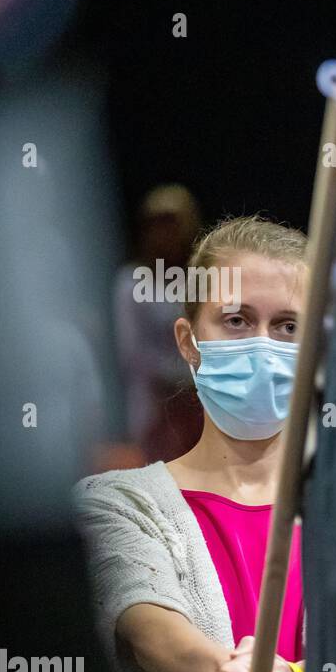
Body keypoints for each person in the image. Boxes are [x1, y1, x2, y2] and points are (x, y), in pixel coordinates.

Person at [75, 215, 308, 672]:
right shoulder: (119, 503)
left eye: (288, 327)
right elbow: (152, 627)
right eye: (237, 321)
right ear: (187, 339)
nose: (263, 345)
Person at [112, 184, 205, 463]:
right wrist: (186, 381)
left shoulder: (202, 280)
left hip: (200, 408)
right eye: (157, 224)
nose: (165, 233)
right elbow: (135, 354)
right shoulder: (130, 282)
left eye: (172, 223)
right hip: (156, 415)